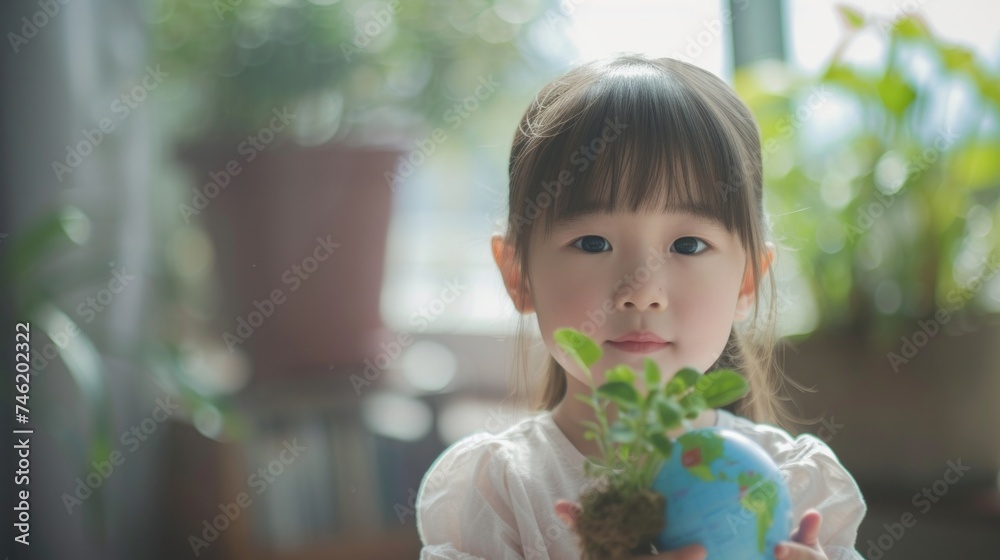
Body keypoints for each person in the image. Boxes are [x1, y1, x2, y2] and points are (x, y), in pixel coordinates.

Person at [416, 54, 866, 560]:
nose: (641, 289)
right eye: (592, 243)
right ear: (519, 273)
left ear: (747, 281)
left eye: (689, 245)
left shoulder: (797, 488)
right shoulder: (498, 489)